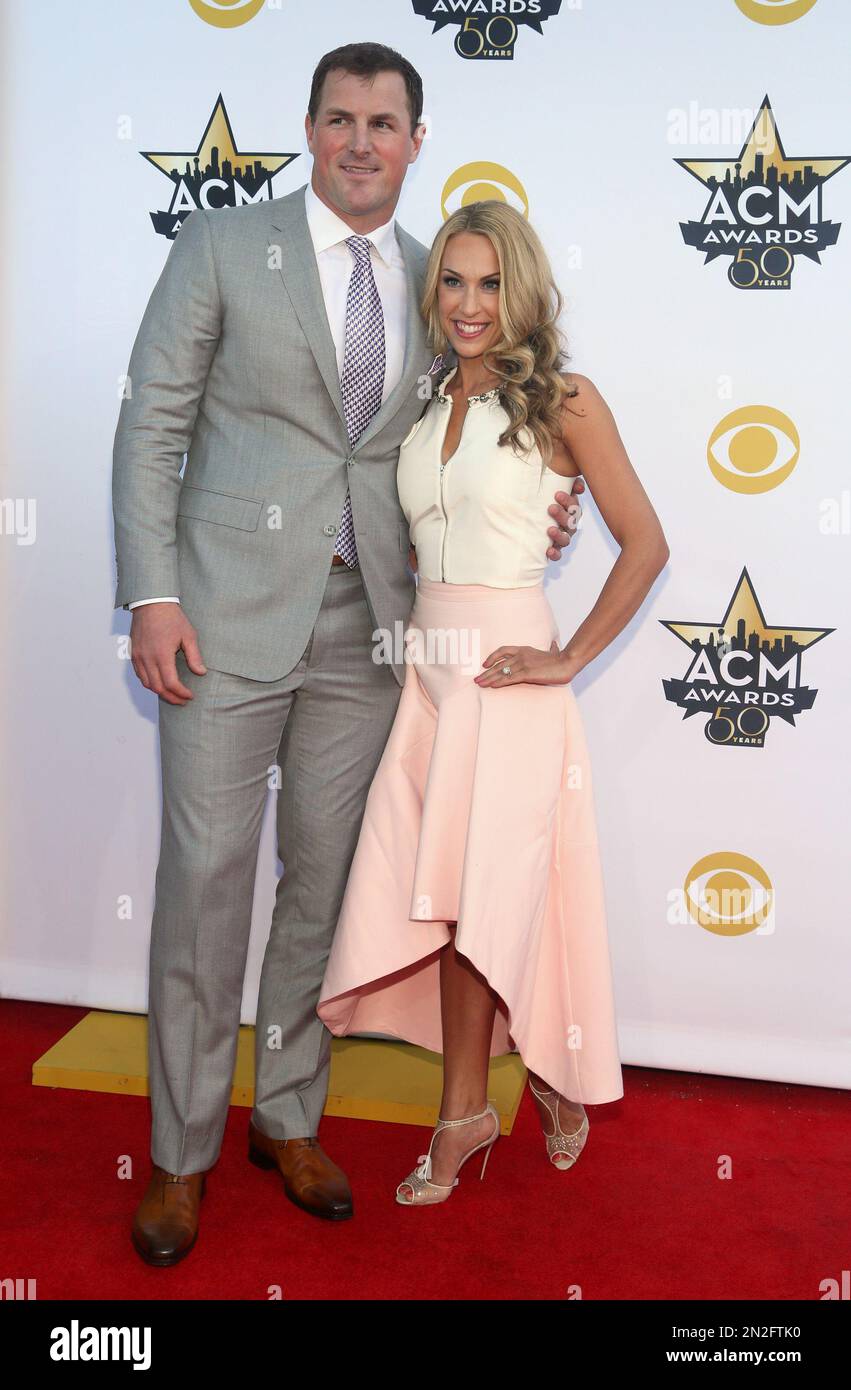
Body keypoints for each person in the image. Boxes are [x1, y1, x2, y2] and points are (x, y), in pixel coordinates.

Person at [111, 42, 580, 1264]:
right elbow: (152, 418)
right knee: (206, 886)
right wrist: (152, 595)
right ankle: (177, 1155)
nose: (361, 140)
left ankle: (288, 1117)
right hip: (218, 619)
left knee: (321, 884)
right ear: (308, 129)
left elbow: (484, 438)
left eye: (384, 121)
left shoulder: (438, 286)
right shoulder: (222, 247)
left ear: (417, 140)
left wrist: (545, 499)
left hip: (372, 633)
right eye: (338, 119)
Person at [317, 200, 669, 1205]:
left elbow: (643, 542)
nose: (469, 304)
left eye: (488, 284)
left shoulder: (565, 400)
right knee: (446, 903)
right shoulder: (421, 405)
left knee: (489, 901)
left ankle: (494, 1099)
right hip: (428, 679)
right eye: (452, 282)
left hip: (506, 684)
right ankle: (507, 1092)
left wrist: (568, 659)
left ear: (520, 290)